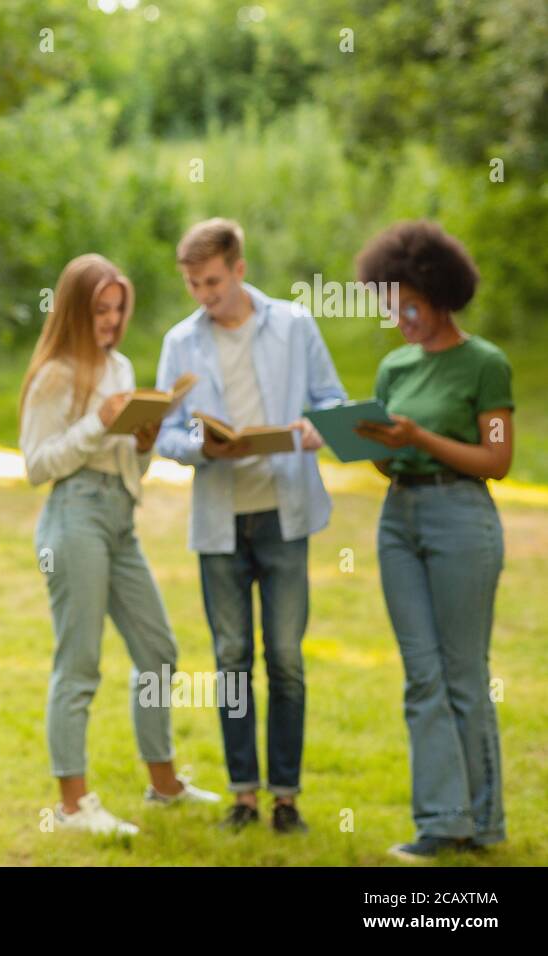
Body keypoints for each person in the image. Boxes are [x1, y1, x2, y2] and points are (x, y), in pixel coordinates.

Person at [155, 218, 346, 833]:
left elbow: (332, 401)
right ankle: (243, 794)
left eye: (212, 280)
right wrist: (203, 446)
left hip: (285, 513)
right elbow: (163, 431)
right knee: (231, 657)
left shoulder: (293, 325)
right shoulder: (180, 341)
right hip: (220, 520)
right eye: (192, 284)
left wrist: (319, 428)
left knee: (285, 658)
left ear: (239, 267)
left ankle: (286, 797)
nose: (204, 294)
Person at [20, 253, 220, 838]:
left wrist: (144, 439)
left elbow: (128, 458)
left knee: (158, 649)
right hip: (74, 516)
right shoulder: (56, 372)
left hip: (119, 519)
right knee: (79, 663)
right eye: (99, 310)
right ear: (76, 310)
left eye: (118, 309)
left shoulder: (123, 366)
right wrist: (98, 425)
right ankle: (74, 805)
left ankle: (164, 785)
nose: (110, 320)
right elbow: (37, 465)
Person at [353, 221, 512, 862]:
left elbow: (497, 460)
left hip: (462, 518)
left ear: (439, 292)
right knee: (422, 678)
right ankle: (440, 824)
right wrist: (377, 447)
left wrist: (420, 439)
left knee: (463, 675)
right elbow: (390, 459)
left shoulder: (486, 362)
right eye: (390, 305)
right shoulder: (394, 366)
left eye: (407, 303)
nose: (399, 317)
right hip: (400, 520)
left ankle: (483, 821)